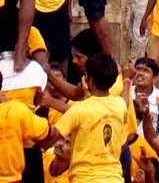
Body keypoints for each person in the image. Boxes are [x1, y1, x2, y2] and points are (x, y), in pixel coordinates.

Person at [52, 53, 130, 183]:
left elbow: (53, 136)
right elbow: (125, 100)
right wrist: (127, 80)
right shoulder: (119, 105)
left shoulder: (78, 110)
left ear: (90, 80)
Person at [132, 58, 159, 146]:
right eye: (138, 69)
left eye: (146, 71)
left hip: (153, 150)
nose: (140, 73)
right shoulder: (126, 93)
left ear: (155, 79)